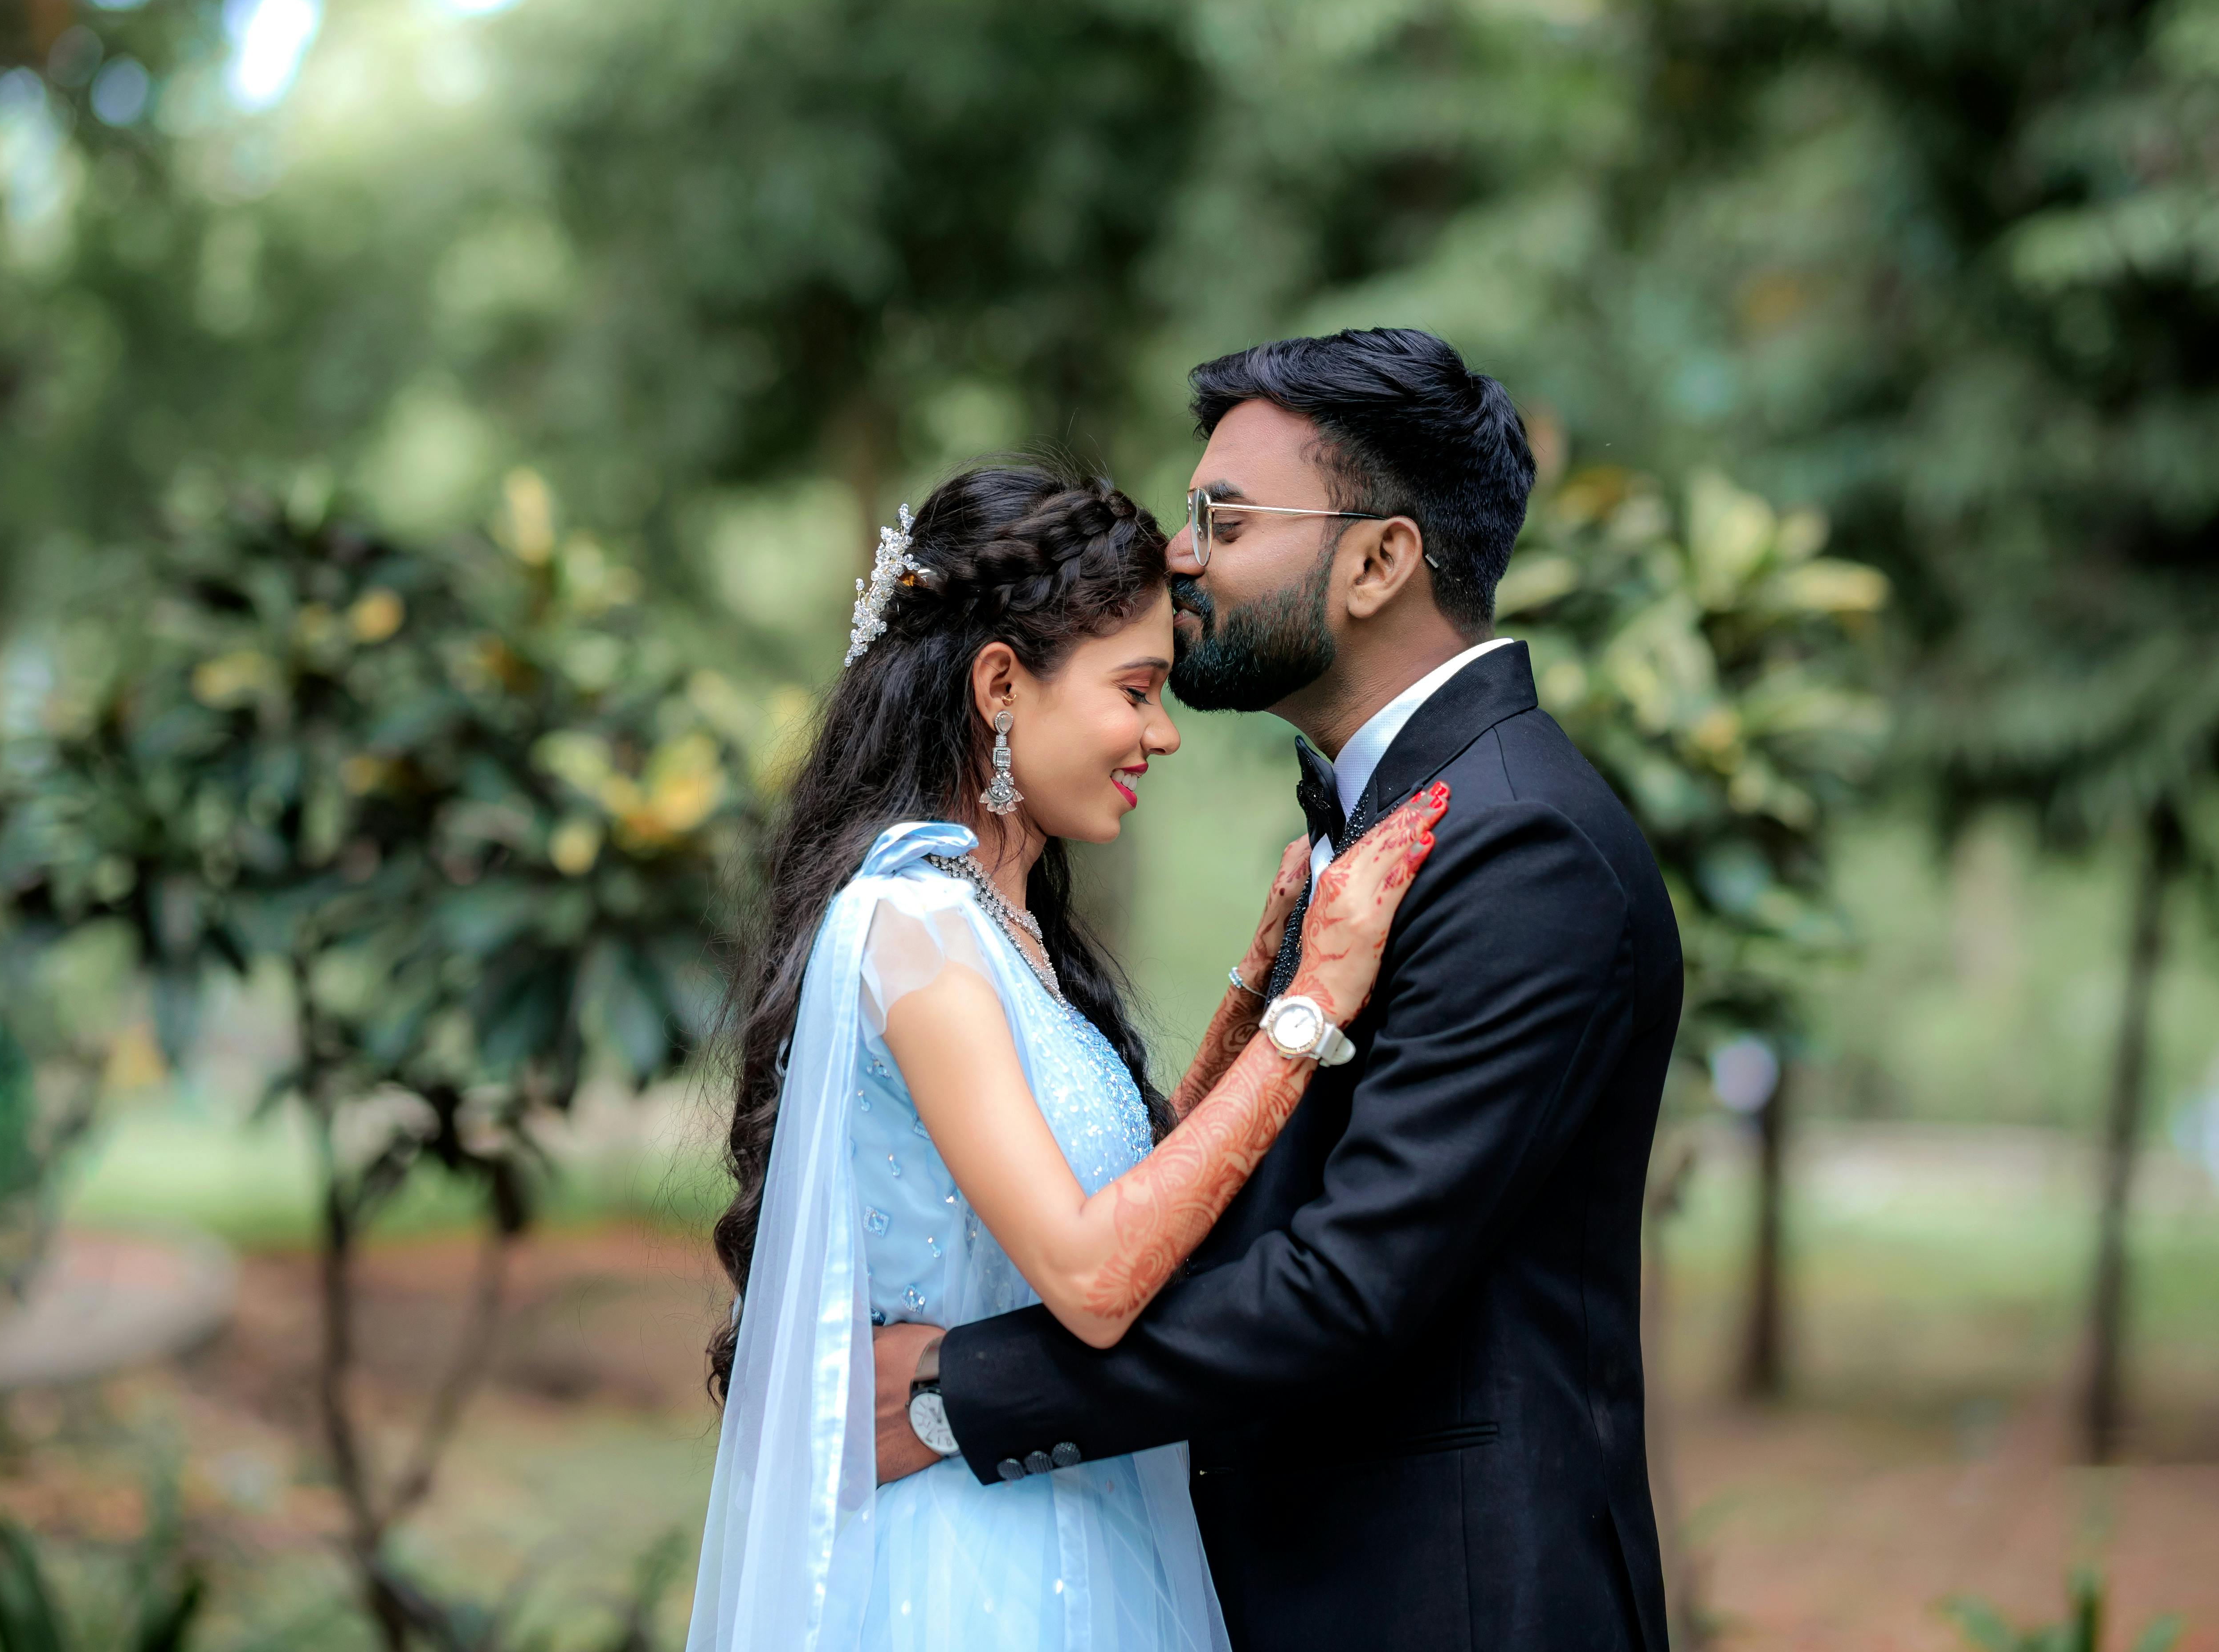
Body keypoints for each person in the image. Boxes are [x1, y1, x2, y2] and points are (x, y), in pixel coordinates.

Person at [870, 330, 1687, 1650]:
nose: (1179, 555)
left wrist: (952, 1394)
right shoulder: (1394, 820)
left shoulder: (1523, 846)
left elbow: (1348, 1284)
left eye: (1225, 520)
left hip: (1450, 1606)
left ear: (1378, 562)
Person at [686, 464, 1448, 1651]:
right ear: (1001, 685)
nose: (1163, 734)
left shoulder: (1002, 927)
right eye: (1136, 691)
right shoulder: (912, 924)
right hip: (975, 1568)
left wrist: (1251, 1003)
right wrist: (1312, 1010)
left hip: (1073, 1517)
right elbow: (1093, 1278)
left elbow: (1115, 1190)